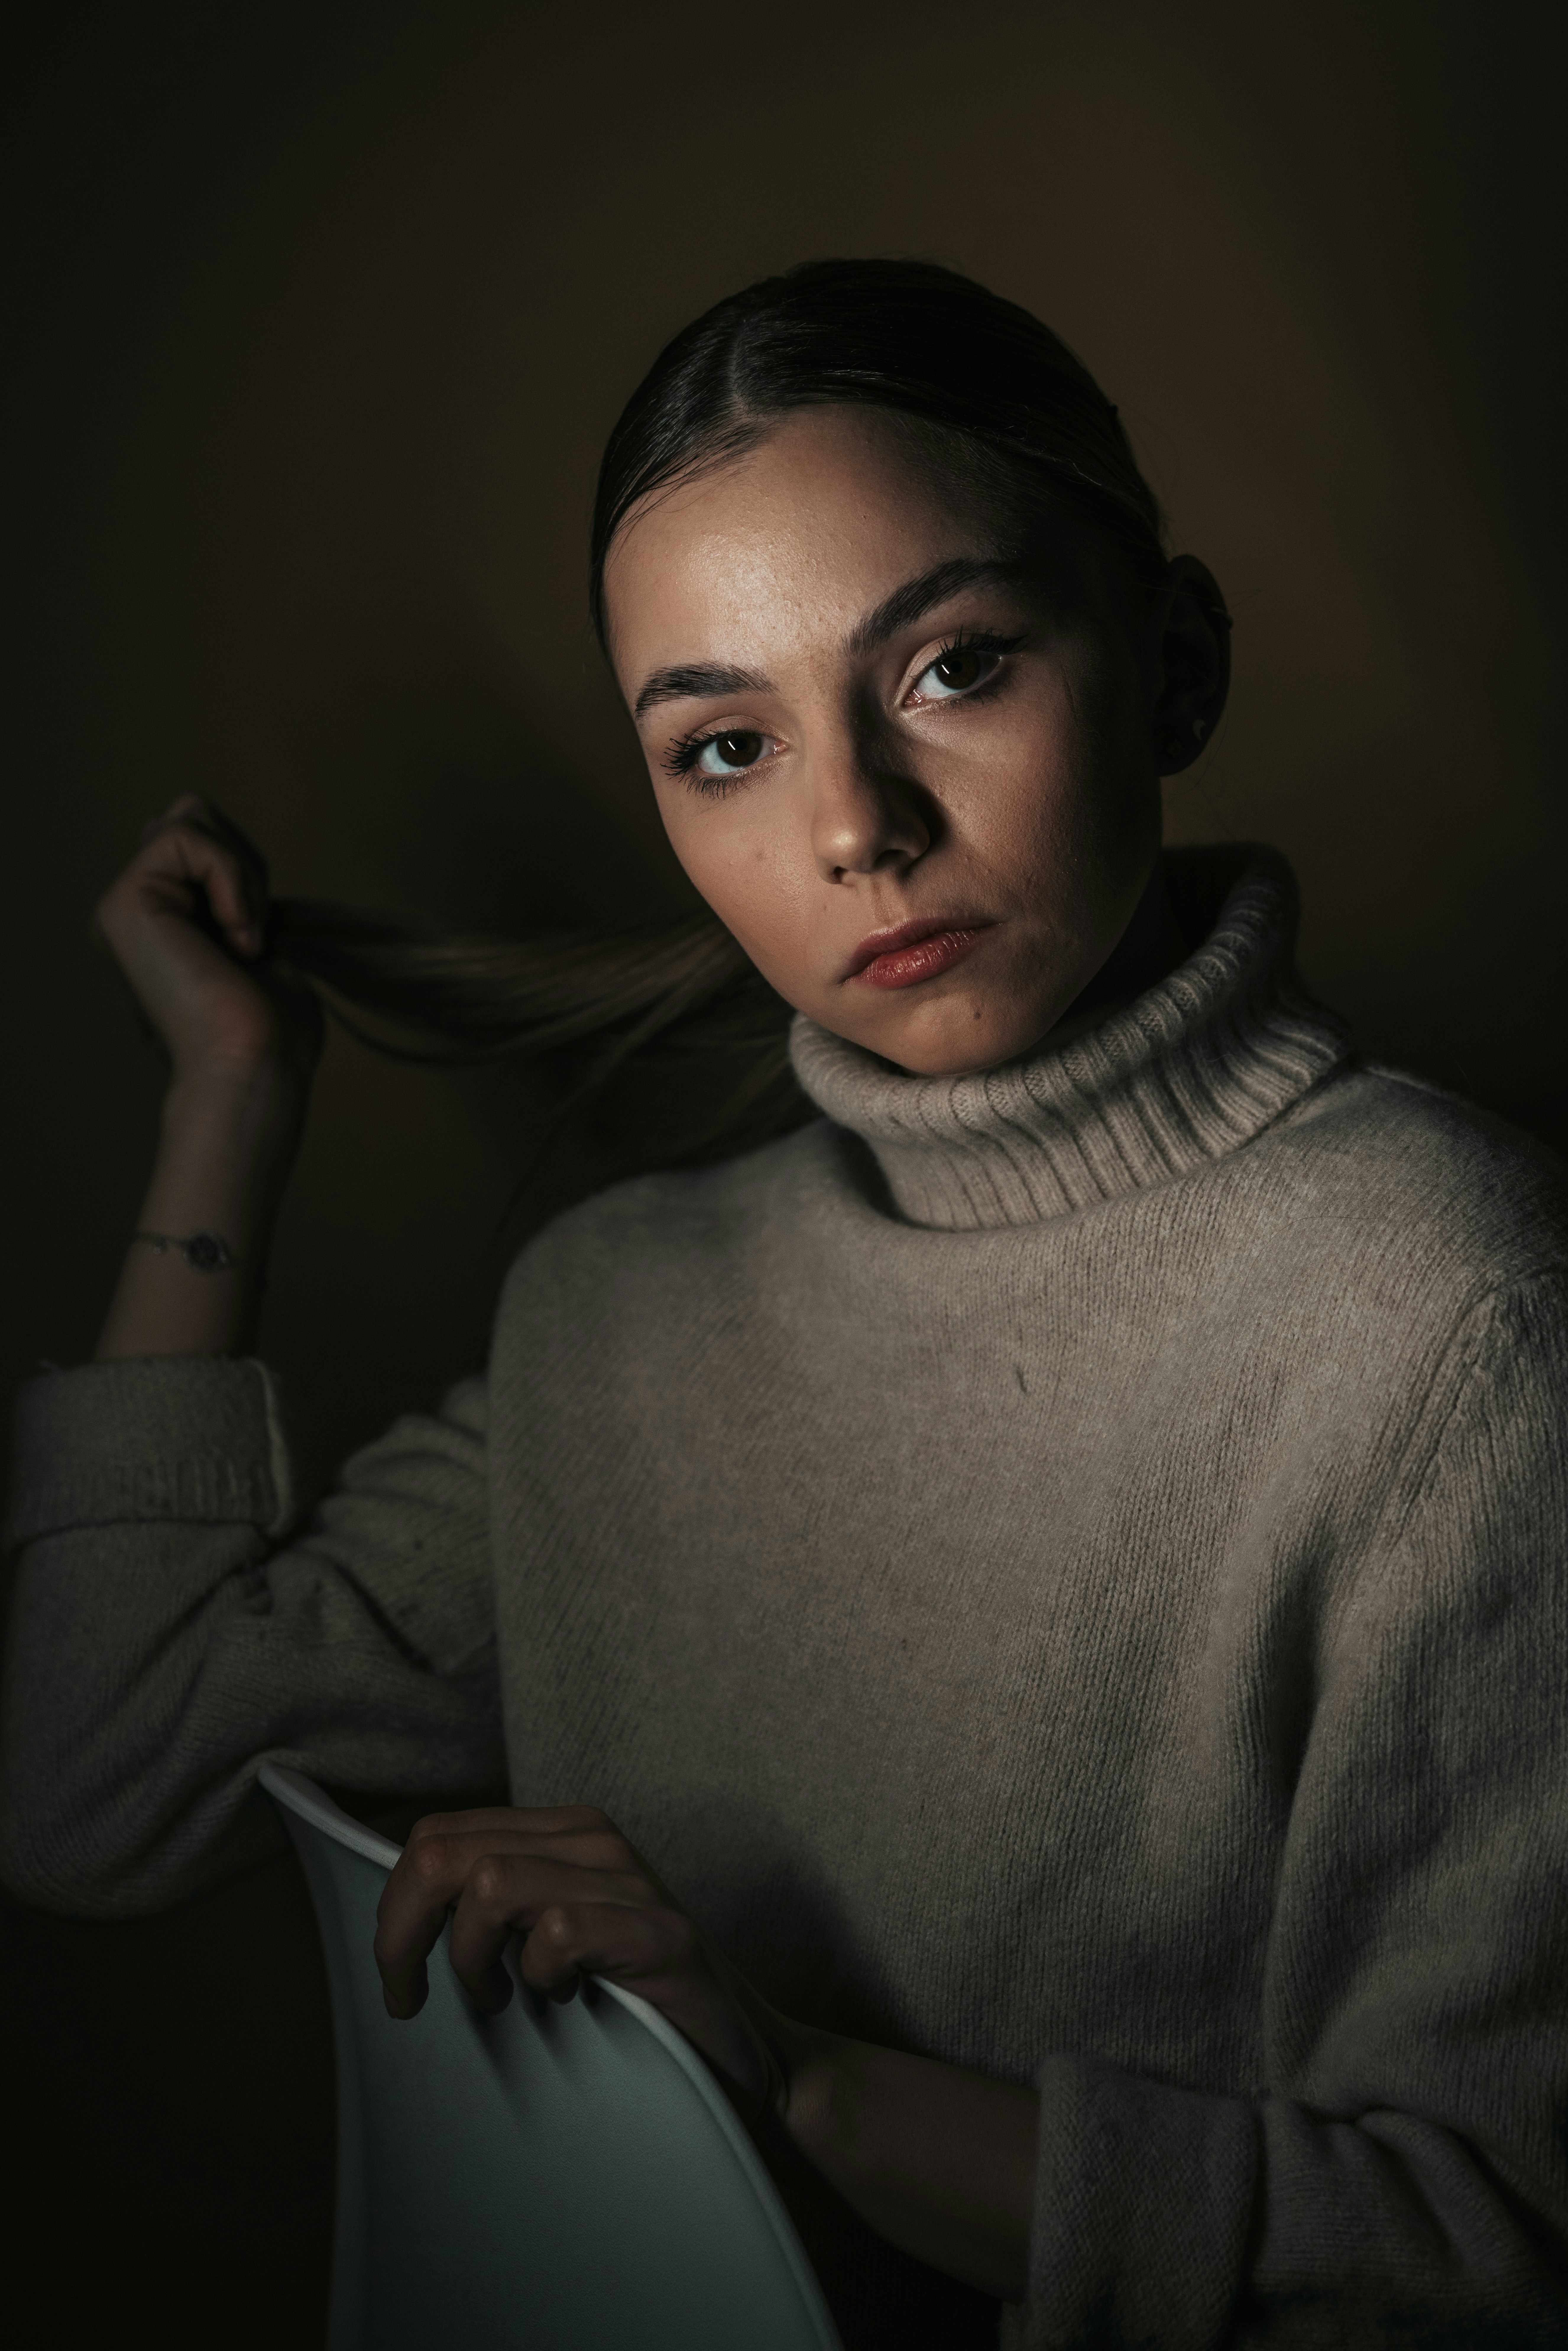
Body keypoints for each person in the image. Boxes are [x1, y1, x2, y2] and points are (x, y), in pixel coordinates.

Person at [2, 259, 1565, 2349]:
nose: (853, 827)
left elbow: (1482, 2251)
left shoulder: (1452, 1316)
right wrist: (226, 1109)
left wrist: (809, 2087)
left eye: (952, 668)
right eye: (725, 744)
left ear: (1172, 666)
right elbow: (102, 1780)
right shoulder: (615, 1314)